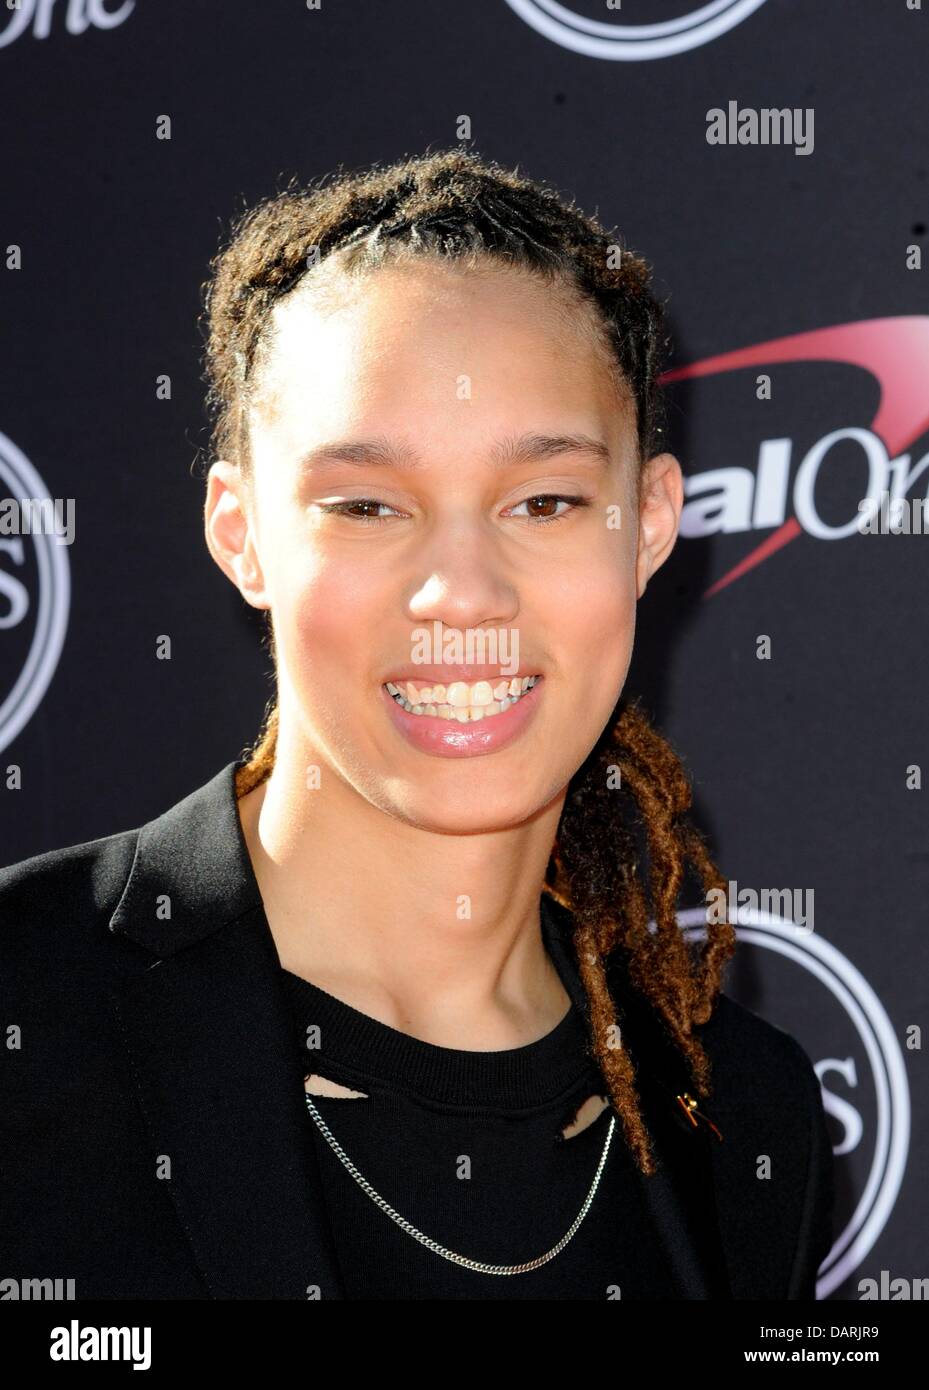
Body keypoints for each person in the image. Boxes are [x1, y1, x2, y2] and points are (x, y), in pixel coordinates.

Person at [0, 147, 833, 1300]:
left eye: (542, 501)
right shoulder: (29, 1003)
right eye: (366, 505)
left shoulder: (741, 1114)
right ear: (242, 534)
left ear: (646, 527)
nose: (462, 592)